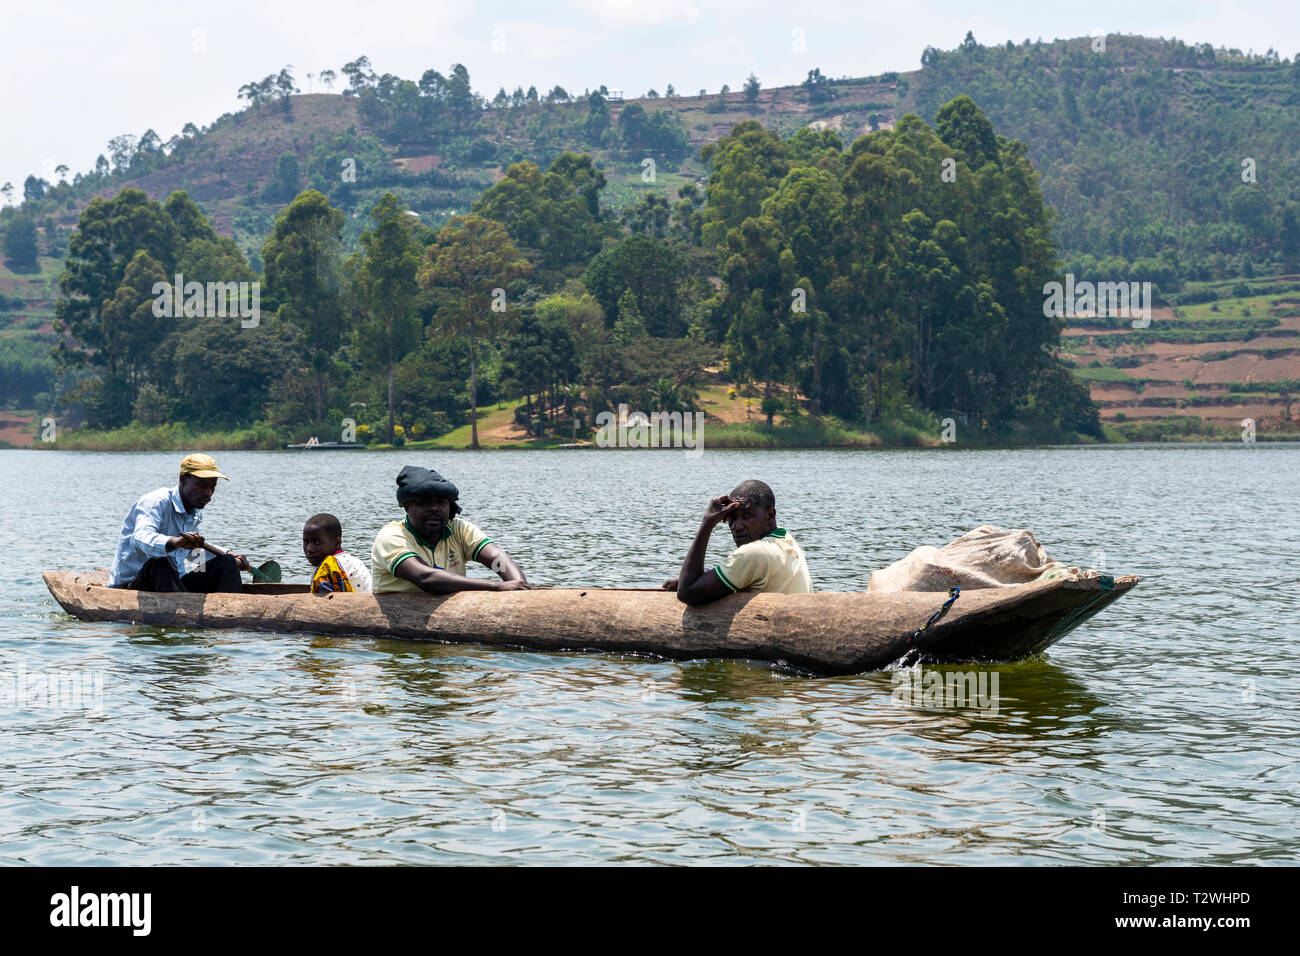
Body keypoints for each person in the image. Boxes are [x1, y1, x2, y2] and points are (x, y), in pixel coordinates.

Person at [371, 465, 531, 594]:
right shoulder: (392, 536)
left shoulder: (459, 529)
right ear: (407, 507)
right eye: (424, 502)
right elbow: (425, 578)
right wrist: (497, 587)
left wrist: (518, 587)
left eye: (441, 502)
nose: (434, 508)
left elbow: (496, 560)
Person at [108, 453, 250, 592]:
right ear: (183, 479)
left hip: (174, 583)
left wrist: (228, 554)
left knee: (226, 562)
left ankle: (230, 609)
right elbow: (141, 538)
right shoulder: (155, 502)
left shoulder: (194, 512)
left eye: (212, 486)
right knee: (162, 562)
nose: (208, 493)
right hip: (135, 585)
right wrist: (174, 542)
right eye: (201, 485)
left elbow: (195, 554)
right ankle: (178, 608)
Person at [664, 479, 811, 605]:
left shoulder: (755, 553)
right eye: (731, 517)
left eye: (747, 515)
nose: (737, 526)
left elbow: (686, 592)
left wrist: (708, 522)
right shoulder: (787, 540)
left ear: (770, 515)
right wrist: (705, 578)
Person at [303, 513, 372, 593]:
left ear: (337, 542)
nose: (309, 549)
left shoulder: (329, 566)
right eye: (306, 542)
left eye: (317, 543)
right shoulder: (354, 561)